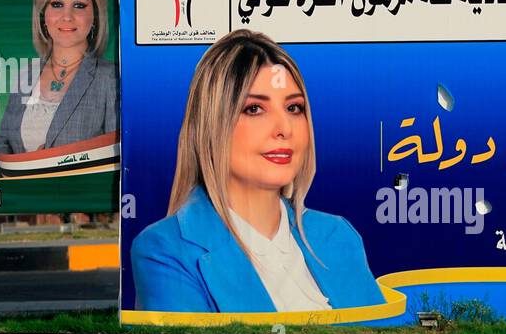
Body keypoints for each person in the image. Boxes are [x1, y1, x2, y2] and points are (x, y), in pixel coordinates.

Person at [130, 29, 385, 314]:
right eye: (254, 109)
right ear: (212, 125)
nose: (284, 129)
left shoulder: (338, 236)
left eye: (294, 107)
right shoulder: (164, 251)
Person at [0, 0, 118, 158]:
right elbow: (4, 142)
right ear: (43, 14)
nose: (66, 16)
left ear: (95, 15)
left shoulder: (111, 78)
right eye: (57, 4)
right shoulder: (26, 75)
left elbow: (117, 155)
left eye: (79, 5)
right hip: (24, 189)